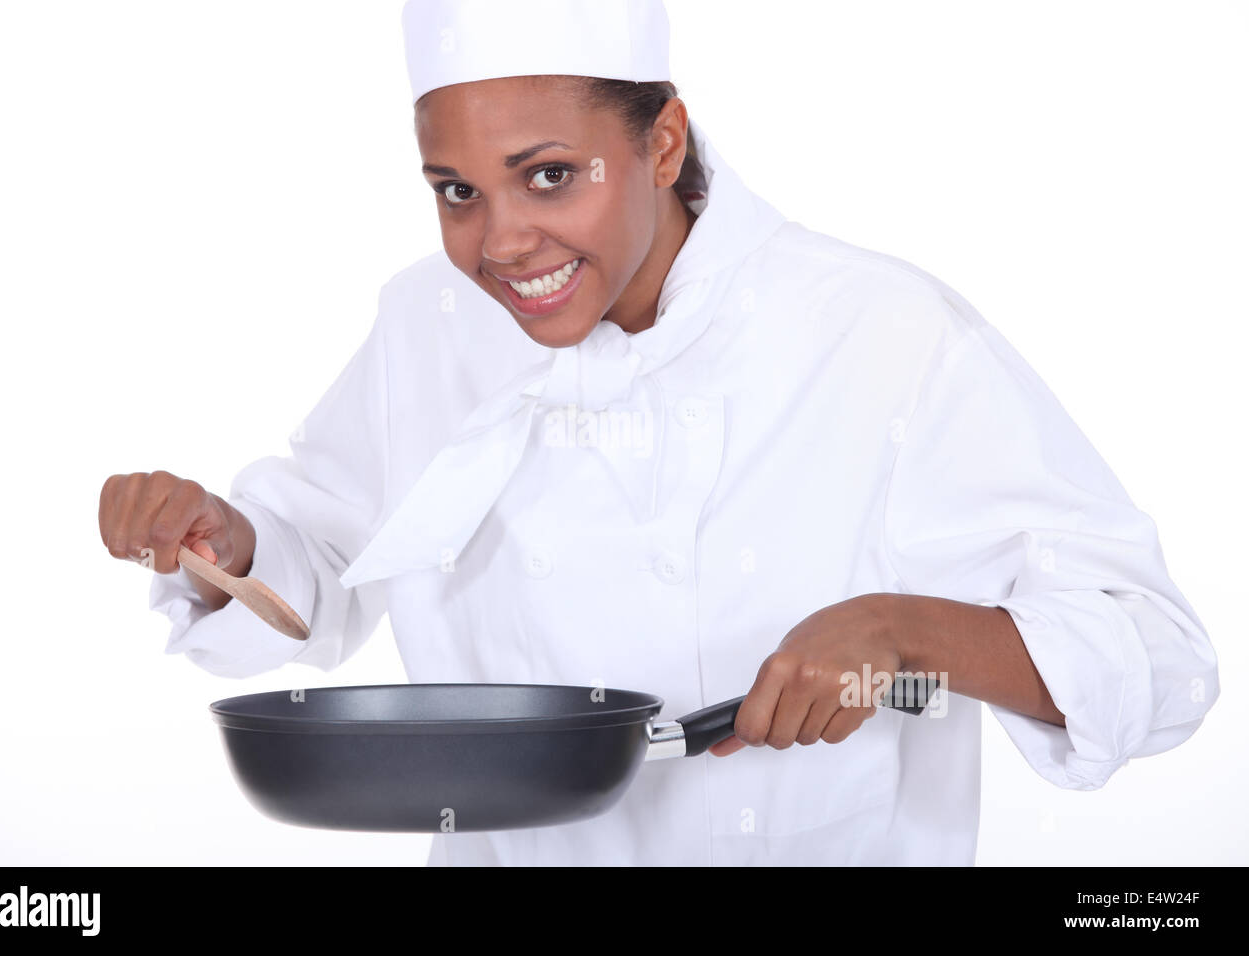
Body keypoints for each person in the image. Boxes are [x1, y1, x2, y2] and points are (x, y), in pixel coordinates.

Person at [98, 0, 1219, 865]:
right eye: (455, 191)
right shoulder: (427, 323)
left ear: (665, 139)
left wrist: (905, 630)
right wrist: (225, 544)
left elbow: (1156, 657)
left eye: (548, 175)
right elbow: (325, 566)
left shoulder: (877, 332)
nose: (500, 241)